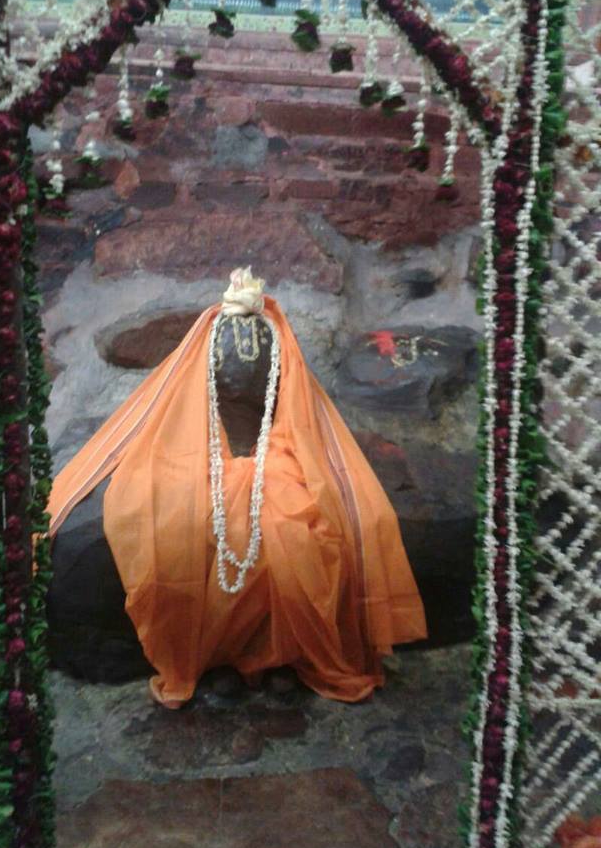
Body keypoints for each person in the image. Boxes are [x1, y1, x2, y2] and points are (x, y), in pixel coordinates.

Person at [47, 268, 427, 708]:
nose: (239, 374)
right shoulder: (196, 397)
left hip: (271, 448)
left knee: (303, 529)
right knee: (172, 525)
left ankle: (282, 655)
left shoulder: (285, 393)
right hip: (210, 454)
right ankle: (214, 659)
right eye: (228, 366)